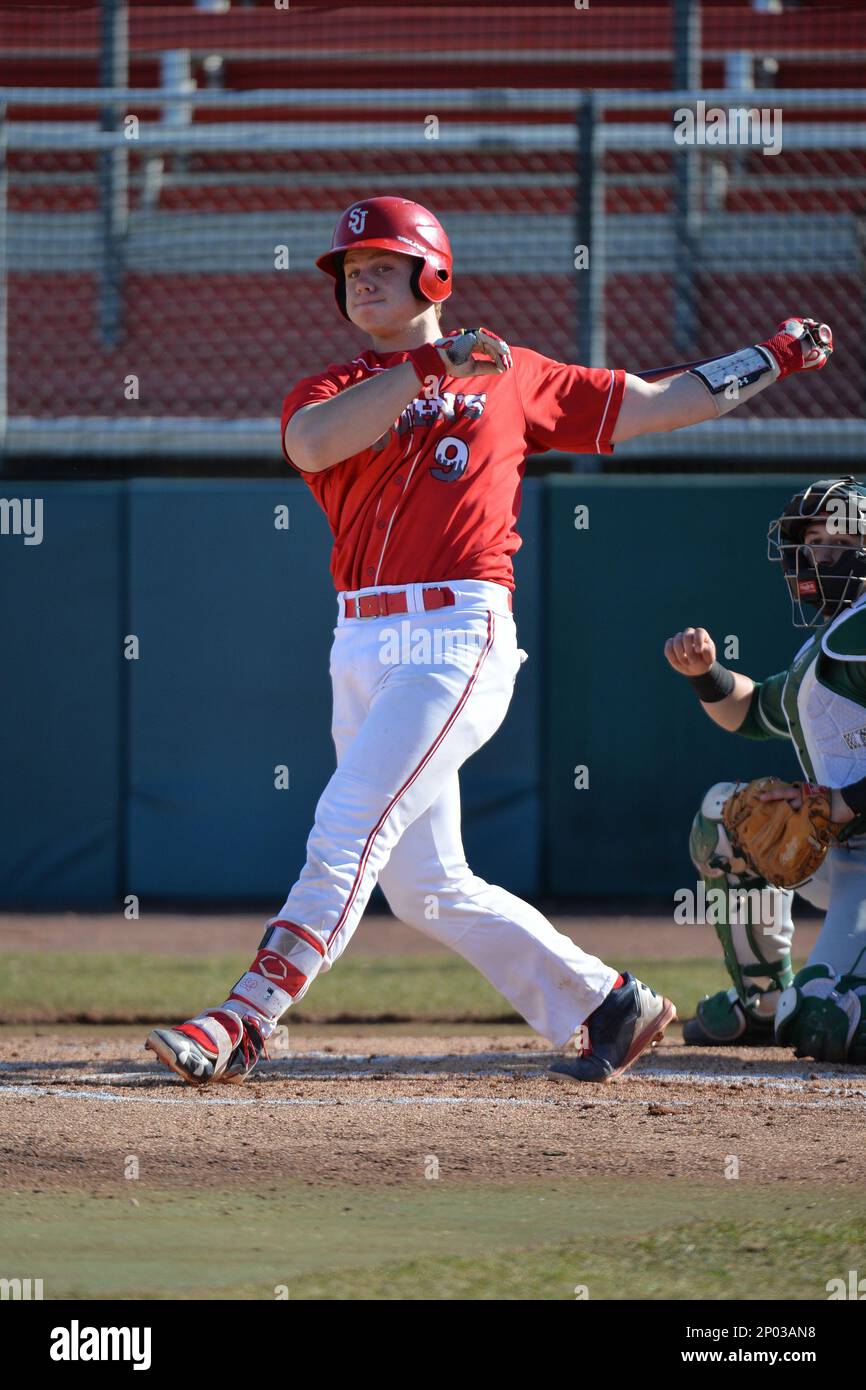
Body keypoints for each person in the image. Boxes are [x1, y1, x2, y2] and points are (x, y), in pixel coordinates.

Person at [146, 196, 832, 1085]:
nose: (361, 281)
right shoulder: (334, 388)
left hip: (454, 635)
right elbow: (313, 446)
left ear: (434, 275)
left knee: (346, 829)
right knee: (425, 886)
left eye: (383, 266)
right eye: (351, 272)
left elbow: (662, 401)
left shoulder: (509, 377)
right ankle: (609, 1004)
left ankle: (244, 1019)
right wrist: (428, 365)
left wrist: (772, 355)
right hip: (358, 641)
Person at [665, 477, 866, 1061]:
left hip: (856, 830)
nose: (811, 555)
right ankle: (762, 1000)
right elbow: (752, 710)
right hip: (848, 851)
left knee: (827, 1024)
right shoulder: (831, 639)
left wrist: (846, 801)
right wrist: (706, 672)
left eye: (829, 541)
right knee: (724, 819)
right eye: (806, 541)